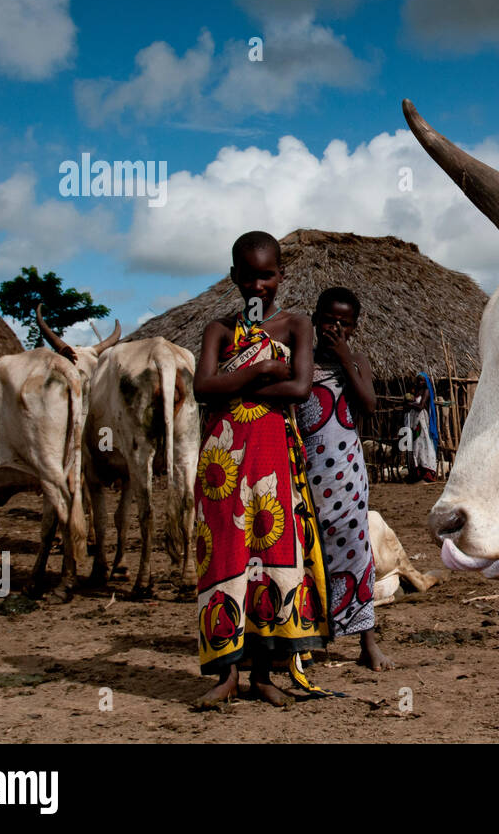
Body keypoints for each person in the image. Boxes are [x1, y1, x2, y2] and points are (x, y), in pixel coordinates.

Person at [191, 231, 334, 708]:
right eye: (248, 275)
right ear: (234, 277)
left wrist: (234, 387)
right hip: (222, 462)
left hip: (273, 454)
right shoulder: (218, 329)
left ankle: (261, 676)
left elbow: (299, 390)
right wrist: (259, 372)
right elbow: (202, 389)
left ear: (281, 275)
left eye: (267, 274)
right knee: (228, 557)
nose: (258, 285)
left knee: (270, 559)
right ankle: (225, 675)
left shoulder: (296, 326)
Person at [296, 287, 394, 671]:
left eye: (344, 323)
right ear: (316, 317)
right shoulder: (300, 363)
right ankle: (306, 638)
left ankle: (366, 642)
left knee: (355, 552)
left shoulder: (358, 362)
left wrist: (344, 360)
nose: (335, 327)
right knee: (306, 554)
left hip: (347, 474)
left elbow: (368, 405)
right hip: (305, 472)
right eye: (329, 319)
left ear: (354, 328)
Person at [404, 373, 438, 483]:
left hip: (422, 421)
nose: (420, 382)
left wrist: (410, 404)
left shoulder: (426, 391)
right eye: (419, 380)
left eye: (422, 381)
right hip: (415, 421)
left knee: (424, 443)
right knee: (415, 444)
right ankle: (417, 470)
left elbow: (421, 406)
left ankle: (427, 470)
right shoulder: (416, 392)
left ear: (426, 382)